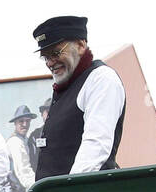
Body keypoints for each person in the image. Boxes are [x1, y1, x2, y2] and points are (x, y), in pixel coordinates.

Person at [31, 16, 126, 180]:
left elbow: (96, 145)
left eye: (55, 53)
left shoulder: (101, 79)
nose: (50, 63)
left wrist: (68, 191)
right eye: (45, 57)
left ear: (81, 45)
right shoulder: (68, 85)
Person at [6, 104, 37, 192]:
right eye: (21, 121)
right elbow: (23, 171)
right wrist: (36, 187)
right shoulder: (15, 142)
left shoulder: (25, 140)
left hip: (19, 190)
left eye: (27, 121)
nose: (25, 124)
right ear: (15, 123)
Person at [28, 98, 50, 175]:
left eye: (54, 112)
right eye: (47, 112)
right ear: (42, 114)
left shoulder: (64, 133)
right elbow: (33, 161)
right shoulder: (35, 135)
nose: (50, 115)